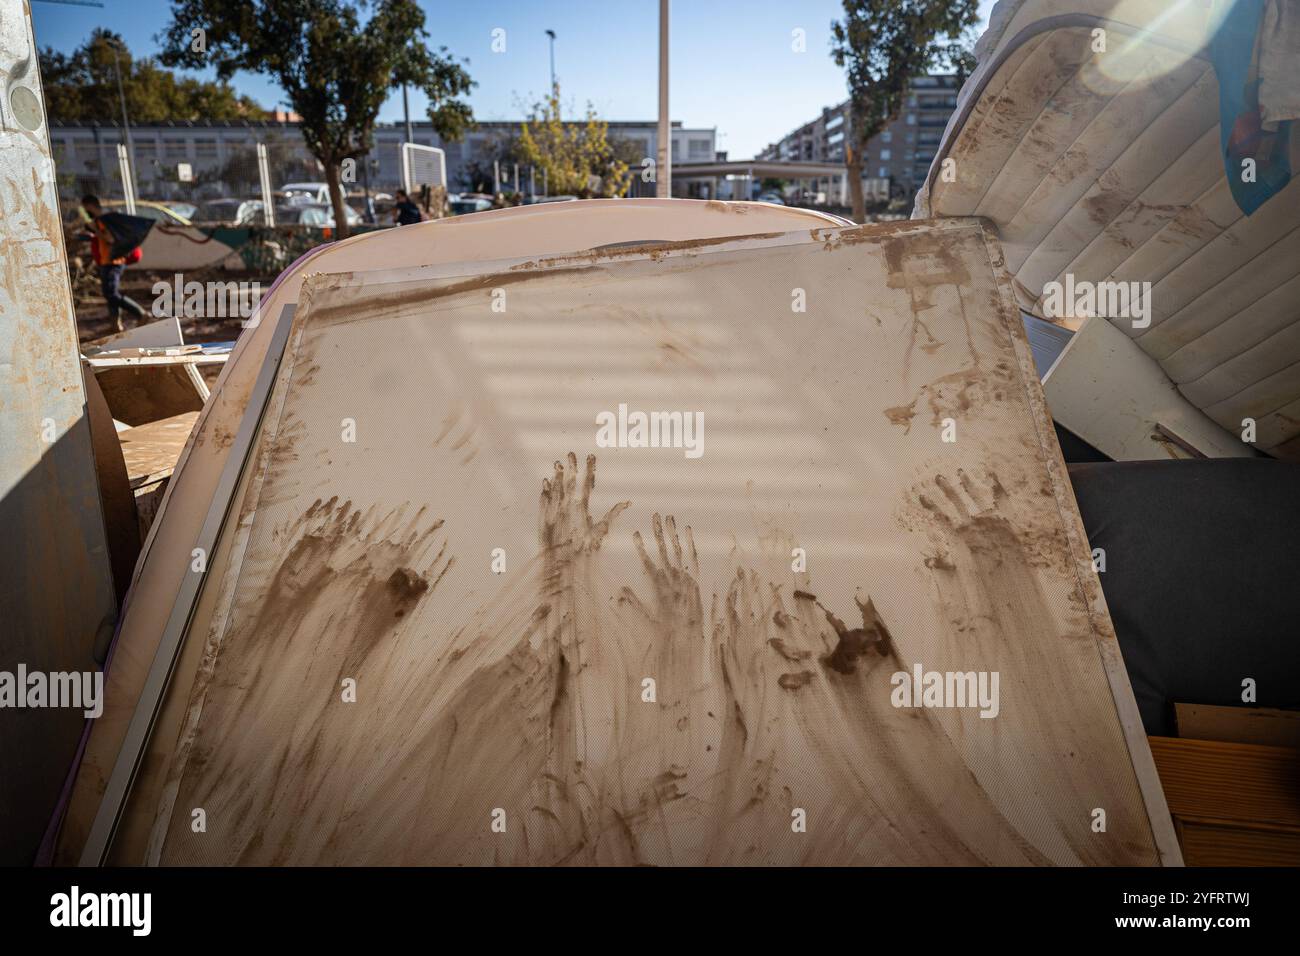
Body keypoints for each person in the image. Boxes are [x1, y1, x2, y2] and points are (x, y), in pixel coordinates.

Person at [80, 194, 146, 331]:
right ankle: (116, 325)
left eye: (86, 207)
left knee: (111, 294)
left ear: (91, 206)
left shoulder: (104, 221)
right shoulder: (100, 221)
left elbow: (110, 239)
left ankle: (140, 313)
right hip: (106, 261)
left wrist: (95, 230)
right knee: (110, 294)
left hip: (113, 261)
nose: (85, 211)